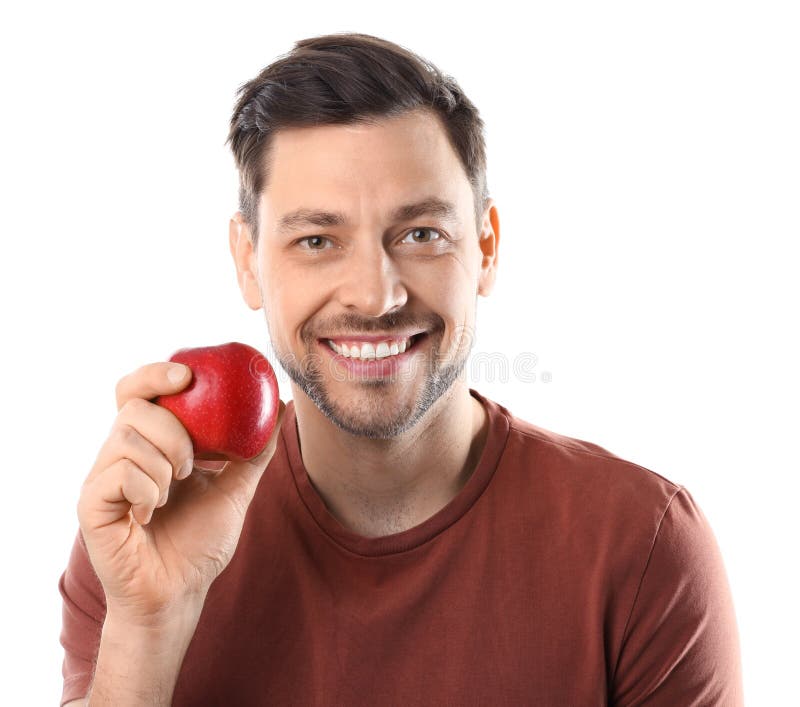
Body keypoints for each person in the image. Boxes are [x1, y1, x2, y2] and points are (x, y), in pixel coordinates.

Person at [58, 32, 744, 706]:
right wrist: (146, 629)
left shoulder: (644, 546)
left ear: (486, 246)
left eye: (420, 234)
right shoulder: (146, 528)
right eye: (317, 239)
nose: (374, 294)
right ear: (248, 260)